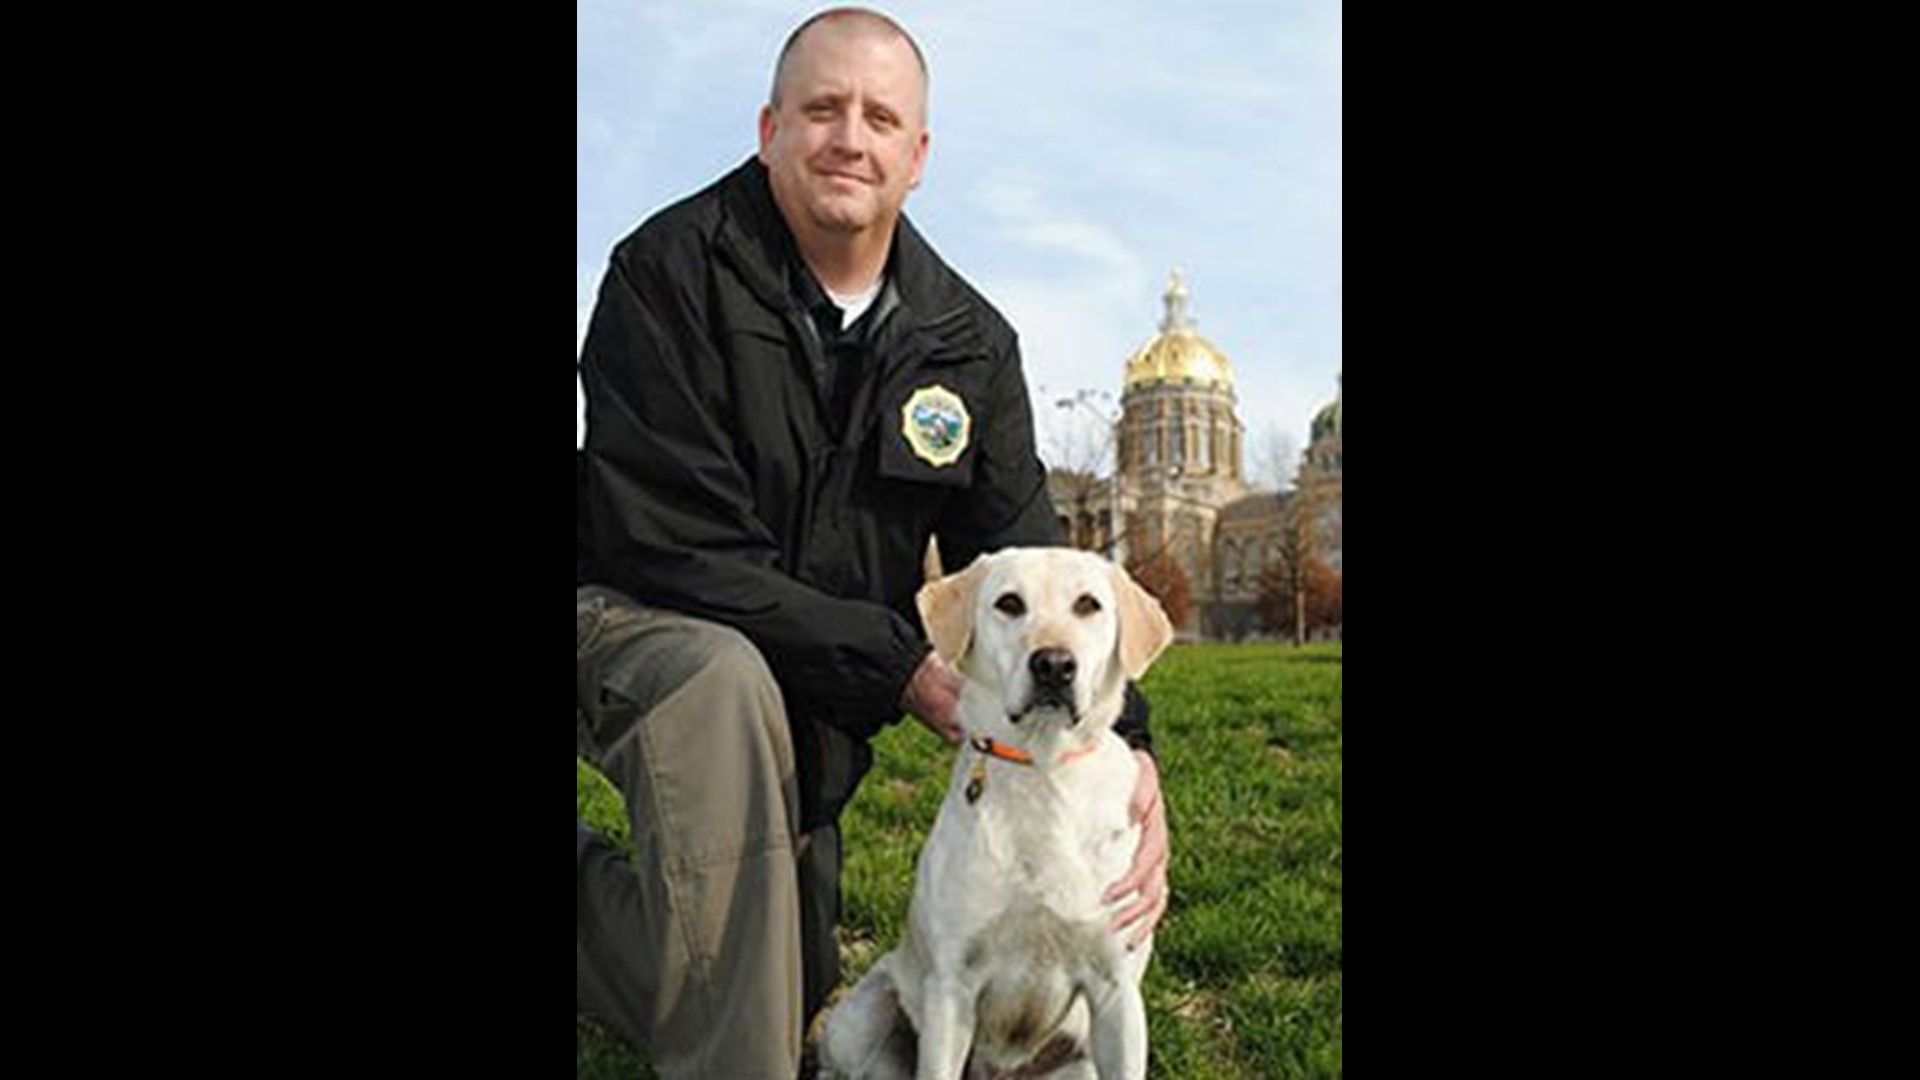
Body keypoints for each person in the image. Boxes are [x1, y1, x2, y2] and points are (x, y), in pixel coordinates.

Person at [575, 9, 1169, 1077]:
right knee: (725, 682)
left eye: (882, 116)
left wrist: (1134, 756)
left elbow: (1038, 565)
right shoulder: (664, 273)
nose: (852, 136)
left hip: (807, 693)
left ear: (918, 154)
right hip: (634, 622)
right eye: (822, 108)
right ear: (769, 129)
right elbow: (672, 546)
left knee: (777, 986)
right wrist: (902, 668)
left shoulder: (970, 342)